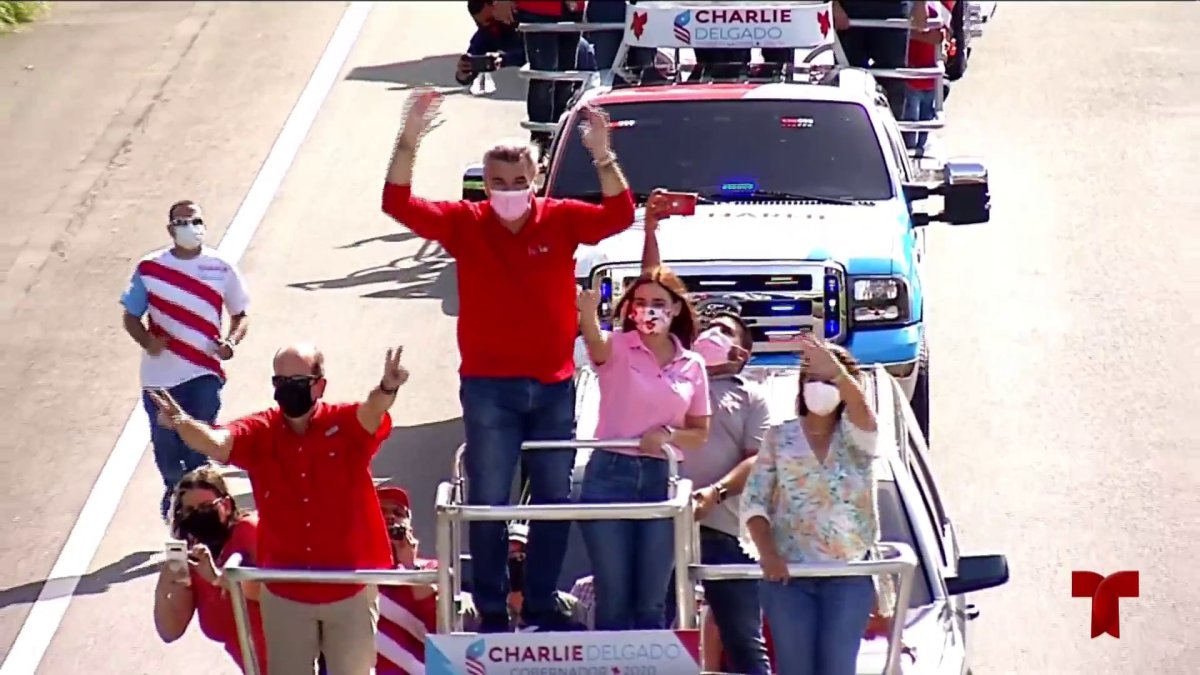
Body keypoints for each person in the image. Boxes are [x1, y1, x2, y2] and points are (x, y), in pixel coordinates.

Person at [381, 88, 634, 633]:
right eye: (498, 183)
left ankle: (540, 602)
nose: (510, 192)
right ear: (484, 184)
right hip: (489, 387)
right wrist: (409, 139)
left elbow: (619, 213)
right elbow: (396, 203)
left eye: (520, 181)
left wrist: (601, 153)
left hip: (553, 384)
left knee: (552, 499)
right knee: (489, 501)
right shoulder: (465, 223)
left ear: (537, 179)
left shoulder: (562, 218)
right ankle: (492, 608)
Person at [147, 342, 408, 675]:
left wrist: (387, 387)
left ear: (319, 385)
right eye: (280, 382)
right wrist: (183, 424)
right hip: (285, 590)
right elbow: (216, 442)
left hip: (349, 586)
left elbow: (372, 411)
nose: (287, 390)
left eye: (297, 381)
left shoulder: (345, 424)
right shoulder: (260, 431)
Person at [575, 260, 712, 630]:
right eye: (639, 301)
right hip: (609, 476)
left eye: (657, 301)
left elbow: (699, 431)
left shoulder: (693, 364)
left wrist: (669, 436)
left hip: (661, 479)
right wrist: (588, 314)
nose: (647, 309)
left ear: (676, 308)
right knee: (614, 598)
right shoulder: (619, 347)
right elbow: (596, 346)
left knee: (651, 601)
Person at [740, 335, 884, 675]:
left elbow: (866, 416)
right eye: (812, 379)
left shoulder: (858, 438)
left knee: (837, 667)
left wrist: (837, 371)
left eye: (829, 381)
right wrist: (768, 554)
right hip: (790, 577)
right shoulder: (779, 436)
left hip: (847, 574)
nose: (820, 387)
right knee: (795, 668)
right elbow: (755, 501)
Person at [121, 199, 250, 521]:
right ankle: (175, 493)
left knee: (198, 444)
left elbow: (241, 314)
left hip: (204, 372)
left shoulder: (220, 266)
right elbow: (131, 317)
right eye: (181, 223)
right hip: (159, 378)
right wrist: (148, 342)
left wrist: (230, 343)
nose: (190, 228)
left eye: (194, 221)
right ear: (170, 229)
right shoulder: (150, 268)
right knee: (166, 450)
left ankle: (197, 510)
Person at [663, 315, 771, 675]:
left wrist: (716, 493)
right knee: (653, 636)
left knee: (743, 641)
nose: (711, 332)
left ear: (741, 352)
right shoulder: (671, 383)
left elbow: (758, 459)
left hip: (724, 533)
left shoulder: (753, 398)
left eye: (724, 331)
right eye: (709, 325)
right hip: (663, 532)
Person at [153, 466, 266, 673]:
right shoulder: (194, 560)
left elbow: (278, 592)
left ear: (226, 505)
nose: (198, 515)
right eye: (189, 510)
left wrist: (218, 578)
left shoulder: (248, 531)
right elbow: (170, 631)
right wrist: (163, 587)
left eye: (206, 506)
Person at [463, 523, 587, 631]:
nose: (516, 562)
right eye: (510, 557)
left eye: (522, 555)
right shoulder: (476, 610)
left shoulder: (569, 606)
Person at [456, 0, 597, 88]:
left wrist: (504, 59)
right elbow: (475, 53)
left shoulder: (529, 20)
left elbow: (537, 54)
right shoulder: (489, 32)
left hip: (582, 69)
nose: (489, 27)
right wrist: (464, 73)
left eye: (491, 21)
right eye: (481, 24)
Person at [374, 486, 439, 674]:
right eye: (381, 511)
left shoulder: (431, 570)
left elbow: (441, 629)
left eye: (398, 512)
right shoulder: (354, 572)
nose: (390, 517)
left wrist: (410, 567)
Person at [833, 0, 928, 117]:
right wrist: (834, 5)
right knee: (848, 79)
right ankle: (849, 125)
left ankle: (892, 128)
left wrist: (921, 4)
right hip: (850, 11)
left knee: (893, 82)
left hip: (893, 10)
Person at [901, 0, 950, 154]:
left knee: (925, 125)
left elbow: (943, 36)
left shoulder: (937, 7)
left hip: (930, 79)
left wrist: (944, 45)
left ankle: (920, 151)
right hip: (912, 78)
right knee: (910, 127)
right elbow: (902, 31)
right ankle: (911, 154)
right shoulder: (909, 7)